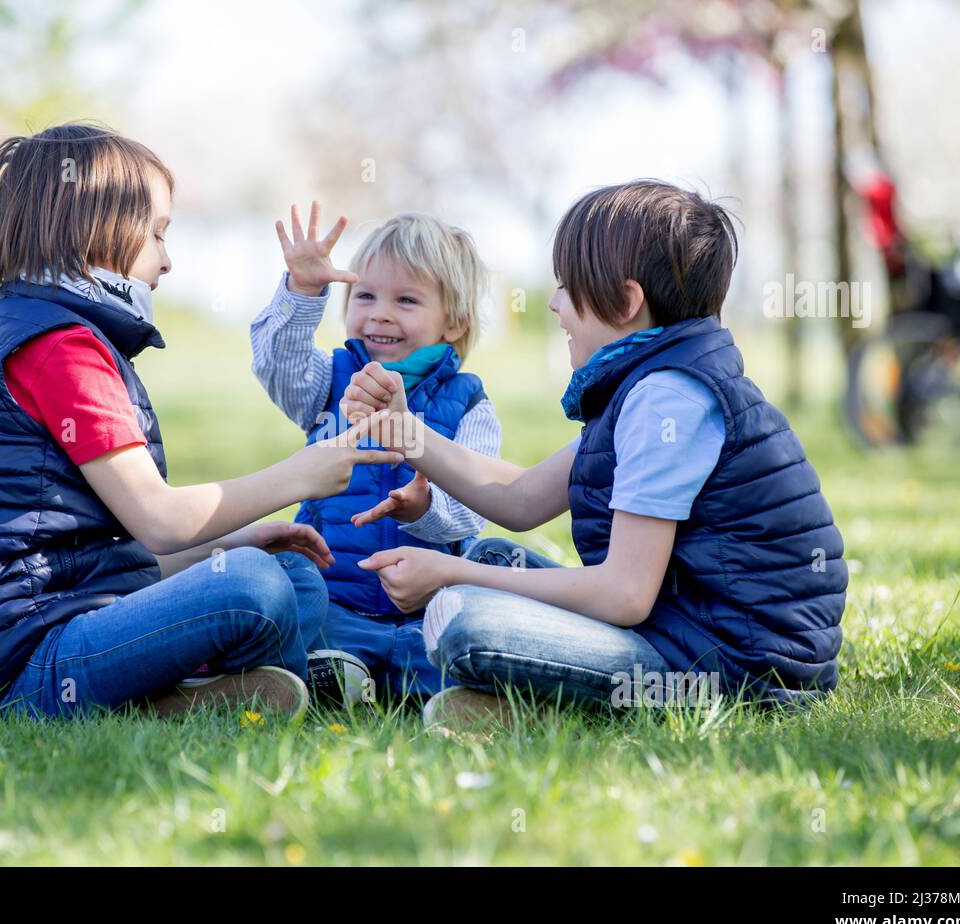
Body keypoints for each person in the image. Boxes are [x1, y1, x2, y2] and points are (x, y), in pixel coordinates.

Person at [0, 124, 401, 719]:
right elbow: (161, 521)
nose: (167, 261)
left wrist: (234, 541)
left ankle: (191, 697)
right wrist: (303, 474)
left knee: (290, 576)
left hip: (67, 614)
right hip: (25, 657)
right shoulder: (58, 350)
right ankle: (176, 697)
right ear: (96, 229)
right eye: (158, 235)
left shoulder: (56, 333)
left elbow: (102, 552)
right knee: (254, 586)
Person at [344, 181, 849, 729]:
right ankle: (519, 706)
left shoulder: (668, 402)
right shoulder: (650, 382)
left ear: (627, 302)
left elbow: (624, 595)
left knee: (466, 618)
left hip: (737, 669)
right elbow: (519, 499)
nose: (554, 303)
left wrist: (447, 575)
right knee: (490, 560)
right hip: (686, 630)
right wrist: (406, 431)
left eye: (567, 286)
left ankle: (541, 703)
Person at [250, 204, 500, 707]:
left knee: (450, 645)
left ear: (454, 322)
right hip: (336, 597)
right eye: (365, 295)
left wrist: (425, 509)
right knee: (305, 625)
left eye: (406, 300)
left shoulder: (469, 402)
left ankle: (436, 688)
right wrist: (302, 292)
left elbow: (476, 504)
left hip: (427, 605)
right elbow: (279, 367)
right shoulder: (331, 380)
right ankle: (336, 674)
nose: (380, 313)